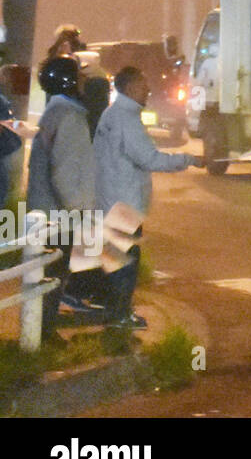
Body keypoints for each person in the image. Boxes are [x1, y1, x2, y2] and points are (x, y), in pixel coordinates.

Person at [93, 66, 203, 329]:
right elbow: (150, 158)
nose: (148, 90)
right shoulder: (126, 120)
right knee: (125, 262)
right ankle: (120, 316)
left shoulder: (112, 114)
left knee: (113, 259)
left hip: (110, 196)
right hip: (124, 201)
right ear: (130, 88)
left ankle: (113, 312)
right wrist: (189, 159)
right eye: (143, 85)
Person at [26, 57, 97, 344]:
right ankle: (42, 334)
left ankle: (40, 332)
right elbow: (64, 174)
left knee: (48, 275)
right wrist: (79, 210)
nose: (83, 81)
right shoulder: (68, 116)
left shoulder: (55, 111)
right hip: (59, 214)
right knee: (53, 277)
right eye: (79, 76)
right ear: (67, 81)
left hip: (47, 210)